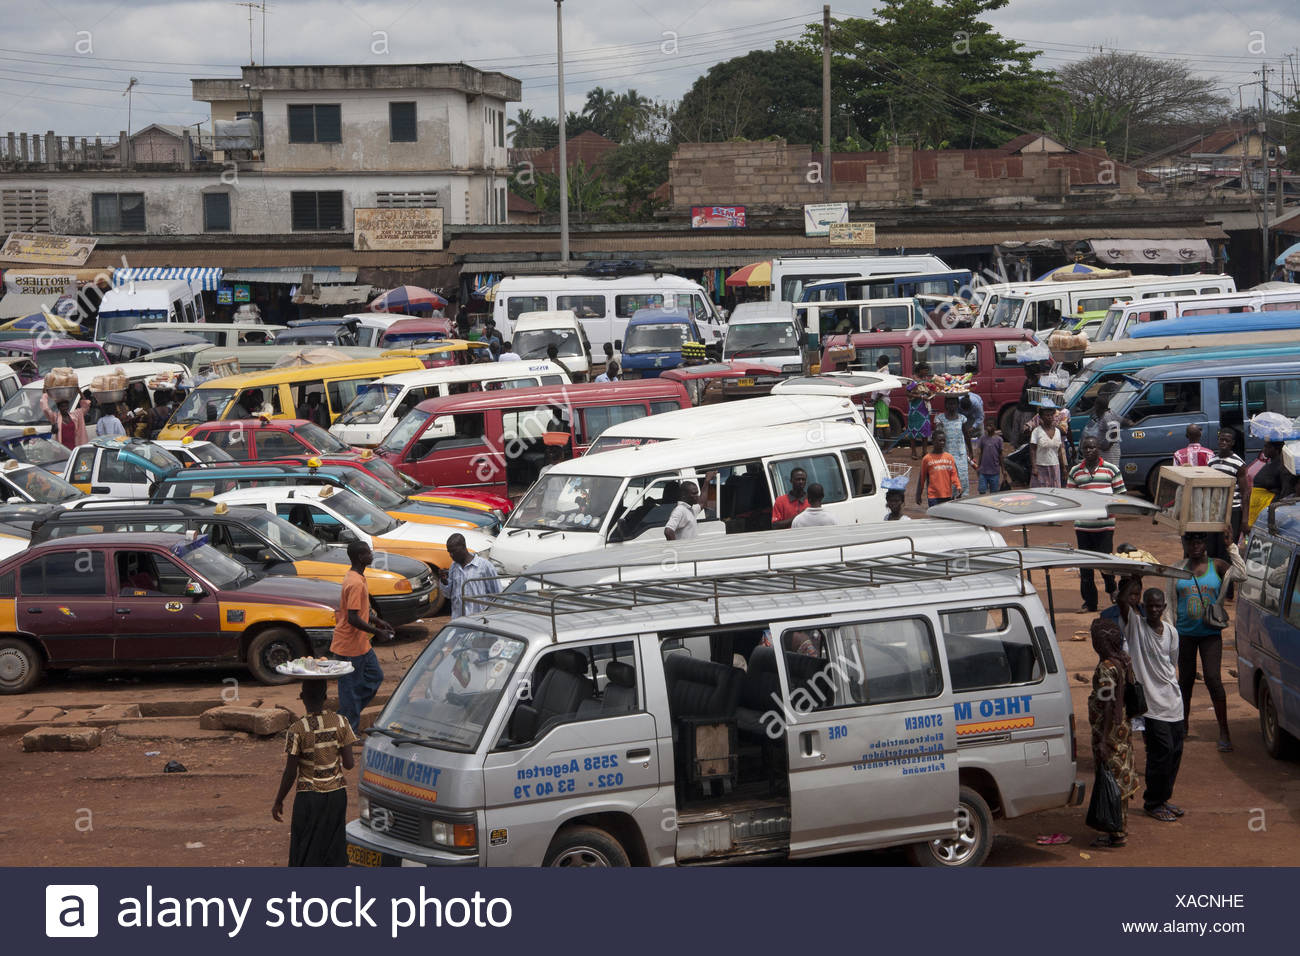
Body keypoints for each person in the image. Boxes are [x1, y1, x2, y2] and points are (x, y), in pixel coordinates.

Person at [1166, 531, 1244, 753]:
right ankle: (1183, 726)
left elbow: (1242, 575)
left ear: (1205, 544)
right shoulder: (1177, 568)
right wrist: (1170, 633)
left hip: (1210, 633)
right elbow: (1170, 604)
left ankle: (1224, 730)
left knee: (1213, 679)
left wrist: (1231, 547)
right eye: (1191, 542)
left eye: (1199, 542)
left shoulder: (1217, 565)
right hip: (1184, 634)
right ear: (1185, 545)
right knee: (1186, 681)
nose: (1195, 546)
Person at [271, 678, 357, 867]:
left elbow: (290, 773)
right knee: (333, 850)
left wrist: (279, 800)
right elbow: (350, 764)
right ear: (326, 697)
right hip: (336, 795)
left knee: (305, 850)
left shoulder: (297, 729)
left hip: (309, 797)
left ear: (302, 697)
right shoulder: (341, 722)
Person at [1118, 586, 1186, 823]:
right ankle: (1153, 802)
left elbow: (1172, 663)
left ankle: (1164, 798)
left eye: (1159, 606)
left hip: (1174, 703)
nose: (1155, 610)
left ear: (1164, 608)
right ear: (1143, 607)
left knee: (1175, 753)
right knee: (1161, 753)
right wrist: (1132, 581)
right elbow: (1123, 602)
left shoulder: (1171, 632)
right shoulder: (1136, 628)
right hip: (1152, 706)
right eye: (1150, 606)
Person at [332, 540, 394, 734]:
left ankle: (347, 717)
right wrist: (378, 632)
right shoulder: (356, 582)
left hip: (361, 644)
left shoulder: (357, 577)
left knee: (375, 677)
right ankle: (348, 730)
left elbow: (360, 611)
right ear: (360, 557)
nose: (372, 555)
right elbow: (352, 618)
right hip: (349, 646)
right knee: (350, 690)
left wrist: (378, 621)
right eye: (368, 553)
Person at [1086, 618, 1139, 848]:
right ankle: (1121, 826)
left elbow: (1107, 703)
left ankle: (1116, 832)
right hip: (1123, 728)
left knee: (1111, 779)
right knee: (1121, 774)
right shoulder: (1124, 661)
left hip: (1109, 731)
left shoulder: (1107, 668)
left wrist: (1103, 740)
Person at [1067, 435, 1127, 612]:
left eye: (1092, 447)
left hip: (1105, 526)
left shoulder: (1111, 470)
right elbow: (1070, 497)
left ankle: (1112, 589)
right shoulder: (1075, 472)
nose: (1089, 451)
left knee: (1105, 562)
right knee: (1086, 566)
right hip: (1083, 526)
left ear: (1098, 449)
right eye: (1085, 448)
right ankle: (1090, 603)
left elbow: (1121, 494)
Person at [441, 532, 502, 618]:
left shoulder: (484, 566)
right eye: (449, 552)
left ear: (463, 547)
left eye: (454, 551)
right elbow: (448, 595)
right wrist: (444, 582)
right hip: (459, 619)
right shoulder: (453, 567)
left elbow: (497, 595)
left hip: (479, 619)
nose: (451, 555)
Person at [1207, 426, 1248, 552]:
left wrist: (1245, 519)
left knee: (1227, 546)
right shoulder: (1212, 462)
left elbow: (1245, 493)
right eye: (1221, 440)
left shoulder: (1238, 464)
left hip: (1233, 511)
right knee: (1212, 546)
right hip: (1215, 510)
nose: (1223, 443)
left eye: (1227, 441)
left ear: (1232, 443)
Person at [1080, 384, 1128, 471]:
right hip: (1107, 452)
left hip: (1109, 453)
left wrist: (1106, 445)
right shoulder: (1110, 413)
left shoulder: (1107, 416)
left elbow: (1114, 430)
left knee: (1110, 471)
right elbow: (1123, 421)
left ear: (1098, 406)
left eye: (1095, 405)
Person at [1247, 440, 1294, 528]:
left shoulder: (1282, 466)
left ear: (1277, 450)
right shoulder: (1270, 462)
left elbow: (1285, 490)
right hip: (1257, 505)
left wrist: (1276, 507)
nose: (1264, 449)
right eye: (1265, 446)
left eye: (1268, 447)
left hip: (1267, 506)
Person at [915, 428, 962, 508]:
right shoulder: (927, 458)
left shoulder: (949, 457)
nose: (942, 443)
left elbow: (954, 475)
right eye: (940, 440)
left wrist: (958, 487)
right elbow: (922, 478)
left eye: (944, 440)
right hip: (933, 496)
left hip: (947, 495)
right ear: (933, 441)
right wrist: (918, 494)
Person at [935, 394, 971, 496]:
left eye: (954, 404)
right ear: (945, 405)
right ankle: (950, 499)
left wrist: (971, 452)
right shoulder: (940, 419)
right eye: (950, 404)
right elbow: (937, 434)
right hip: (946, 454)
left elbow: (966, 435)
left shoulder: (962, 419)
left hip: (961, 454)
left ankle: (962, 498)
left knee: (962, 478)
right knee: (948, 478)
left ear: (957, 405)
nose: (952, 407)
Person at [1029, 404, 1067, 488]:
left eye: (1051, 415)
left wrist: (1063, 468)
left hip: (1055, 467)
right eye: (1046, 415)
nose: (1049, 417)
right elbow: (1032, 450)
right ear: (1041, 417)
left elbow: (1059, 452)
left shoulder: (1057, 431)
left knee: (1055, 491)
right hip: (1041, 467)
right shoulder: (1036, 431)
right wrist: (1034, 467)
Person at [903, 363, 933, 460]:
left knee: (925, 429)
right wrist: (919, 396)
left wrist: (930, 395)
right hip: (915, 409)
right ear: (919, 370)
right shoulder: (913, 381)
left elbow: (929, 391)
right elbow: (907, 393)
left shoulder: (926, 380)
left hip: (924, 409)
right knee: (913, 430)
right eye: (925, 370)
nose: (926, 372)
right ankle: (914, 452)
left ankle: (924, 451)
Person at [973, 418, 1007, 495]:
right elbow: (981, 453)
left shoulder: (999, 440)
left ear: (995, 427)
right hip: (983, 471)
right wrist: (978, 466)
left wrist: (1003, 470)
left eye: (990, 426)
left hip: (994, 471)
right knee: (982, 491)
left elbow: (1000, 455)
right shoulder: (982, 439)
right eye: (987, 426)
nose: (988, 428)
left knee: (994, 493)